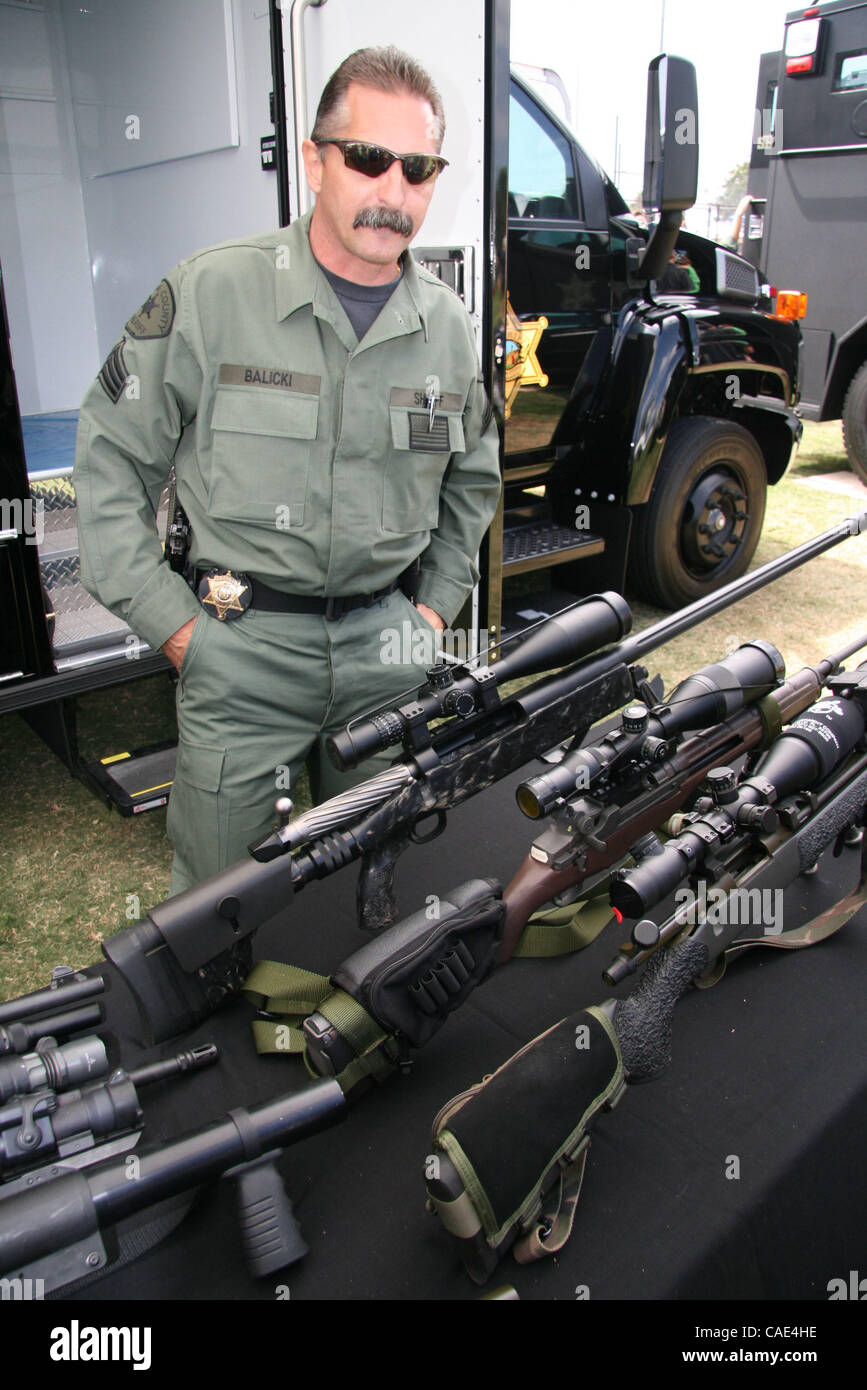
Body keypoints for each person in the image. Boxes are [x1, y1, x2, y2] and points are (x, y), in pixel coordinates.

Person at [73, 46, 501, 893]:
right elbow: (111, 460)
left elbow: (472, 482)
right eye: (368, 159)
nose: (391, 190)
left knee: (376, 887)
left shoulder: (448, 328)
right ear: (314, 161)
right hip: (240, 647)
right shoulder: (214, 294)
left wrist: (428, 612)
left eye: (416, 168)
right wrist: (179, 631)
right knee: (221, 909)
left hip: (388, 650)